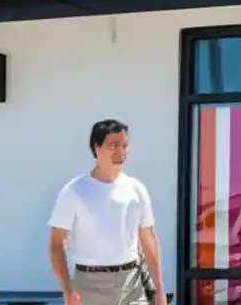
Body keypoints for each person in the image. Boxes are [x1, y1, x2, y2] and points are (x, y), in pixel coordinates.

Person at [48, 119, 166, 305]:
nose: (121, 152)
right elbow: (56, 243)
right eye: (113, 145)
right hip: (89, 284)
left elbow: (148, 238)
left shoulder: (136, 189)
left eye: (124, 146)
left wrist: (159, 288)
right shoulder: (74, 191)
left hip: (131, 282)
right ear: (97, 148)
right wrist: (67, 288)